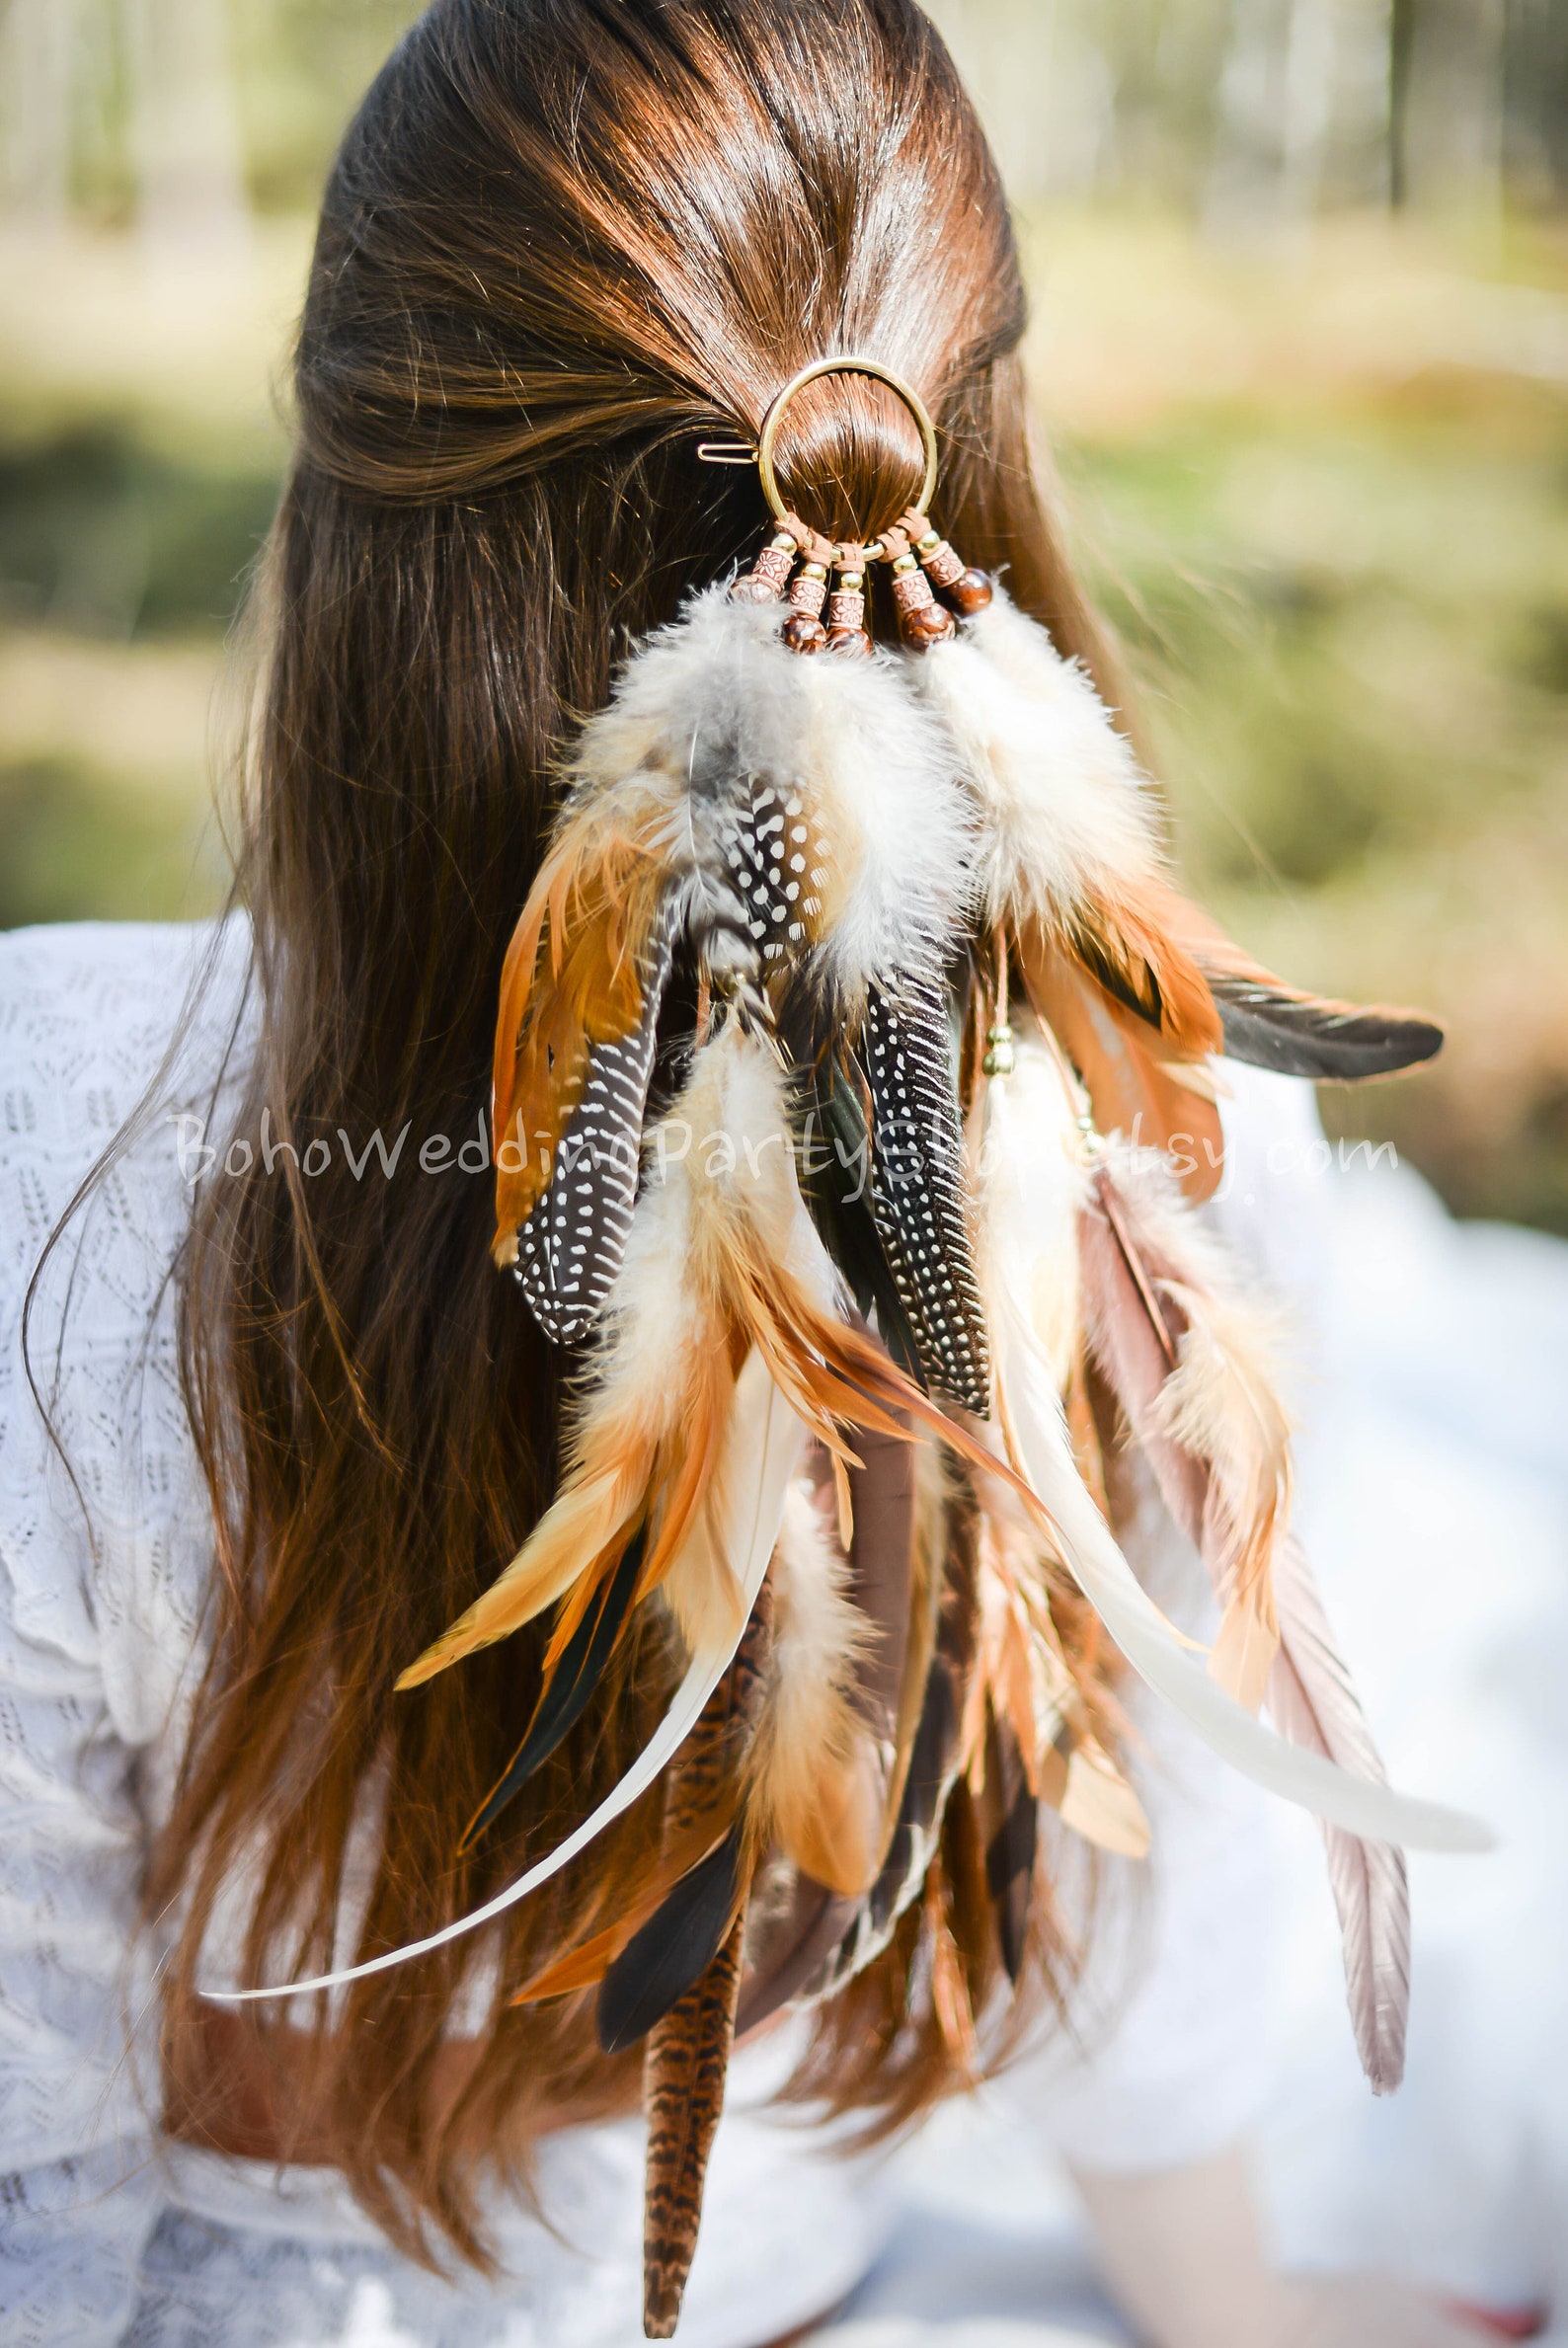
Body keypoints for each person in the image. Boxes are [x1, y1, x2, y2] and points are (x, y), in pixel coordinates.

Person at [0, 5, 1504, 2342]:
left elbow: (32, 2183)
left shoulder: (49, 1148)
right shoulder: (1172, 1121)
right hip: (786, 2273)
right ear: (966, 452)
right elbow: (1155, 1917)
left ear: (344, 530)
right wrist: (1233, 2313)